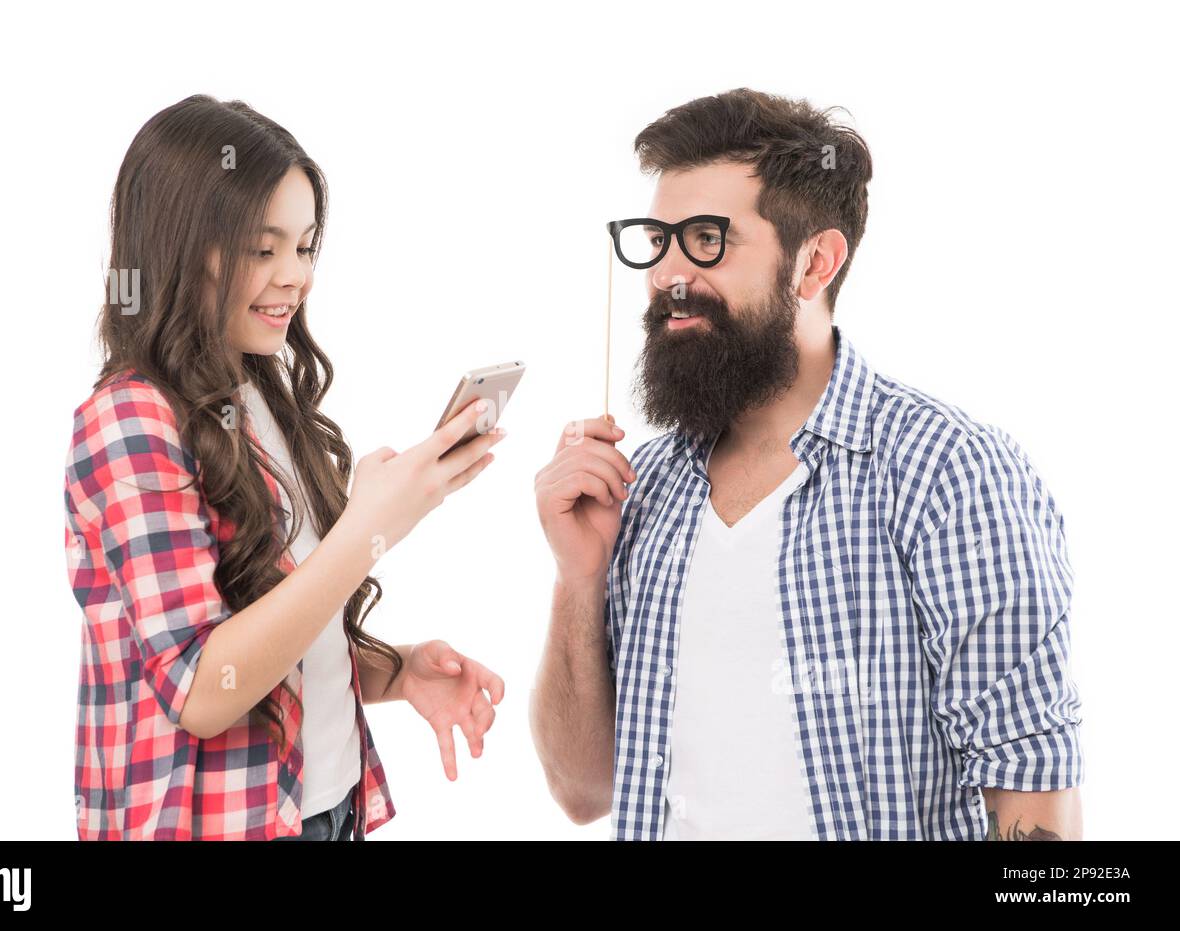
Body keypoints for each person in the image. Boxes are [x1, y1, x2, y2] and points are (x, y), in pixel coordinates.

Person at [530, 87, 1084, 841]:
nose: (668, 274)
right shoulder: (644, 487)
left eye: (706, 239)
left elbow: (1034, 808)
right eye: (655, 240)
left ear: (816, 262)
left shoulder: (948, 474)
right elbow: (585, 789)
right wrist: (579, 578)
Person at [64, 94, 505, 841]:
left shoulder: (259, 390)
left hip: (323, 809)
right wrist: (366, 532)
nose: (294, 277)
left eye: (304, 248)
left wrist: (394, 671)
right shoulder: (130, 419)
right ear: (177, 246)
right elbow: (203, 688)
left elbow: (269, 641)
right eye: (262, 249)